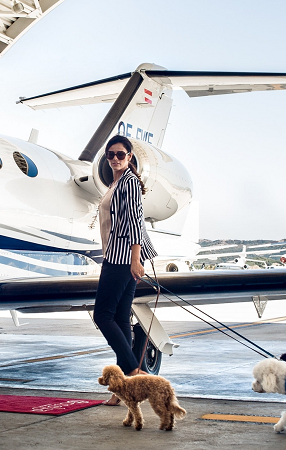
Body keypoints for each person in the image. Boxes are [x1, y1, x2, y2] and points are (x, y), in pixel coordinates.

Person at [93, 135, 158, 406]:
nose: (115, 159)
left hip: (122, 257)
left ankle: (133, 372)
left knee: (102, 315)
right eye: (111, 155)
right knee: (120, 318)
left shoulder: (129, 182)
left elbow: (134, 221)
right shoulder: (116, 182)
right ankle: (122, 390)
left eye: (121, 154)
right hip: (116, 254)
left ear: (130, 157)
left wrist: (135, 258)